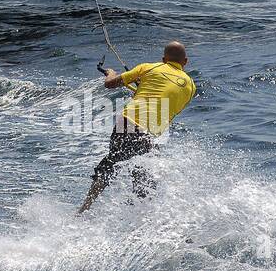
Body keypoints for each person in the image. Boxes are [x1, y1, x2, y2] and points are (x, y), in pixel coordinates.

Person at [79, 41, 197, 213]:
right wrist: (142, 90)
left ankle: (84, 210)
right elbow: (168, 104)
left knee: (112, 163)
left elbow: (110, 83)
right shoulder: (191, 87)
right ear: (185, 62)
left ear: (164, 59)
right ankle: (146, 217)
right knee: (142, 174)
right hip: (150, 133)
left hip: (129, 122)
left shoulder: (148, 68)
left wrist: (110, 73)